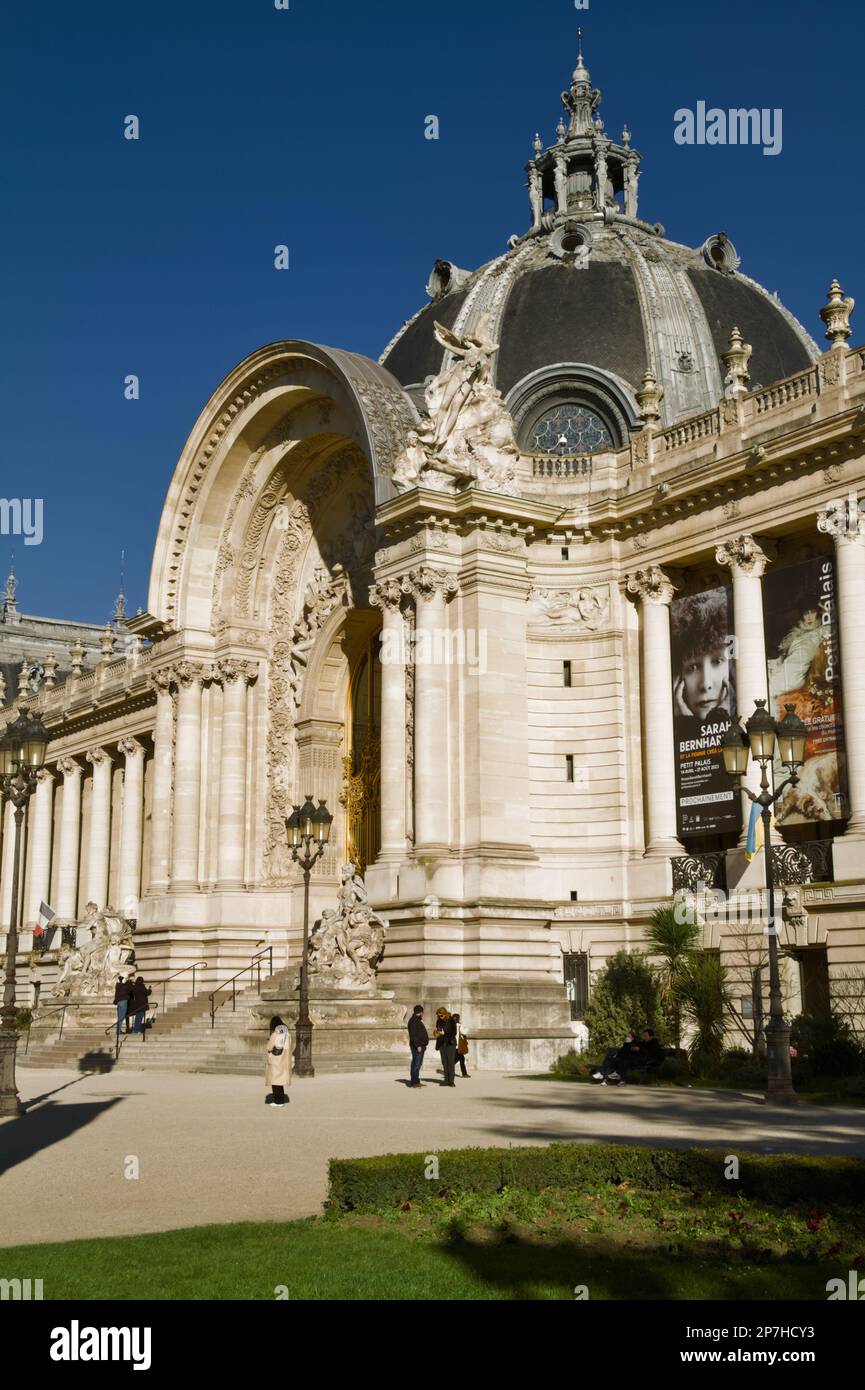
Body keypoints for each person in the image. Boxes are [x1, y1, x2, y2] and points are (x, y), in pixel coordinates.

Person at [265, 1015, 291, 1106]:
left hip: (275, 1059)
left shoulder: (275, 1034)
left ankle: (278, 1101)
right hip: (284, 1059)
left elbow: (269, 1047)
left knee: (275, 1081)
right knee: (280, 1081)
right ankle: (281, 1099)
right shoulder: (287, 1034)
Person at [434, 1007, 458, 1087]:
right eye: (438, 1016)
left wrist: (445, 1033)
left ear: (445, 1014)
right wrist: (436, 1032)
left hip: (450, 1044)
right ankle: (446, 1080)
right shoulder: (438, 1020)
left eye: (441, 1016)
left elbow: (454, 1032)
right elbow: (438, 1030)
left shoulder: (451, 1020)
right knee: (444, 1062)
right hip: (442, 1044)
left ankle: (451, 1081)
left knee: (450, 1063)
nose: (439, 1017)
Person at [407, 1004, 428, 1087]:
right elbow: (413, 1035)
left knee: (418, 1064)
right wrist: (418, 1045)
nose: (423, 1014)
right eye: (422, 1012)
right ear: (421, 1012)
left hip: (420, 1045)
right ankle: (414, 1082)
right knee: (416, 1064)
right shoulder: (414, 1021)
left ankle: (416, 1081)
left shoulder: (417, 1020)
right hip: (417, 1046)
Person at [453, 1013, 470, 1078]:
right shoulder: (459, 1026)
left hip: (454, 1045)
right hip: (458, 1045)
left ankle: (464, 1073)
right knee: (460, 1059)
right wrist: (466, 1027)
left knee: (459, 1059)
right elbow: (465, 1032)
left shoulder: (452, 1026)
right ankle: (464, 1074)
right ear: (458, 1019)